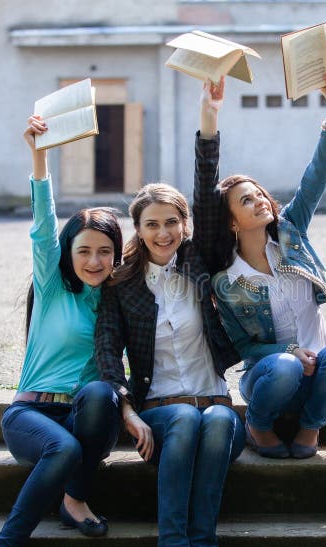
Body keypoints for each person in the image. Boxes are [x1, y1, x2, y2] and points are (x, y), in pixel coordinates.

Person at [95, 79, 245, 547]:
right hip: (160, 417)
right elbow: (106, 352)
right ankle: (174, 541)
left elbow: (205, 187)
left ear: (185, 225)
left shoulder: (198, 262)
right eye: (152, 224)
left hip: (214, 406)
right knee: (183, 420)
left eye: (172, 222)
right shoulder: (122, 286)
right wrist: (126, 411)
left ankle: (203, 541)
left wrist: (209, 115)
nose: (163, 233)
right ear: (138, 229)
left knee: (219, 420)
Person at [201, 75, 326, 459]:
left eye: (259, 194)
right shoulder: (227, 281)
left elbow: (315, 178)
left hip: (317, 374)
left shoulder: (290, 232)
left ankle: (310, 427)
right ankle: (257, 424)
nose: (259, 201)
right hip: (270, 378)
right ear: (232, 222)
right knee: (286, 365)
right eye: (245, 200)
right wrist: (288, 349)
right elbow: (245, 348)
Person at [0, 116, 123, 546]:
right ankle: (11, 539)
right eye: (83, 251)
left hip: (85, 414)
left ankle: (74, 498)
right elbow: (44, 224)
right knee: (62, 448)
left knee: (101, 393)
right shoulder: (52, 287)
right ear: (68, 254)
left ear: (115, 256)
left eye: (104, 252)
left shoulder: (118, 301)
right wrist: (39, 156)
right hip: (31, 415)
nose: (94, 261)